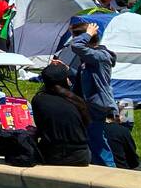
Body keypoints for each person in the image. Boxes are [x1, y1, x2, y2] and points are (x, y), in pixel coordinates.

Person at [62, 20, 118, 167]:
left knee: (96, 139)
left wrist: (87, 34)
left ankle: (109, 169)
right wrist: (66, 69)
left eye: (75, 36)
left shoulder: (99, 56)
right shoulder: (92, 57)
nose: (72, 41)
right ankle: (99, 164)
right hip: (89, 102)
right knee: (93, 137)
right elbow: (84, 77)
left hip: (97, 103)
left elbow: (77, 45)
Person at [31, 63, 90, 166]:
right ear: (64, 80)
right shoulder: (76, 100)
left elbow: (41, 128)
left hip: (54, 155)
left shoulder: (39, 100)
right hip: (82, 155)